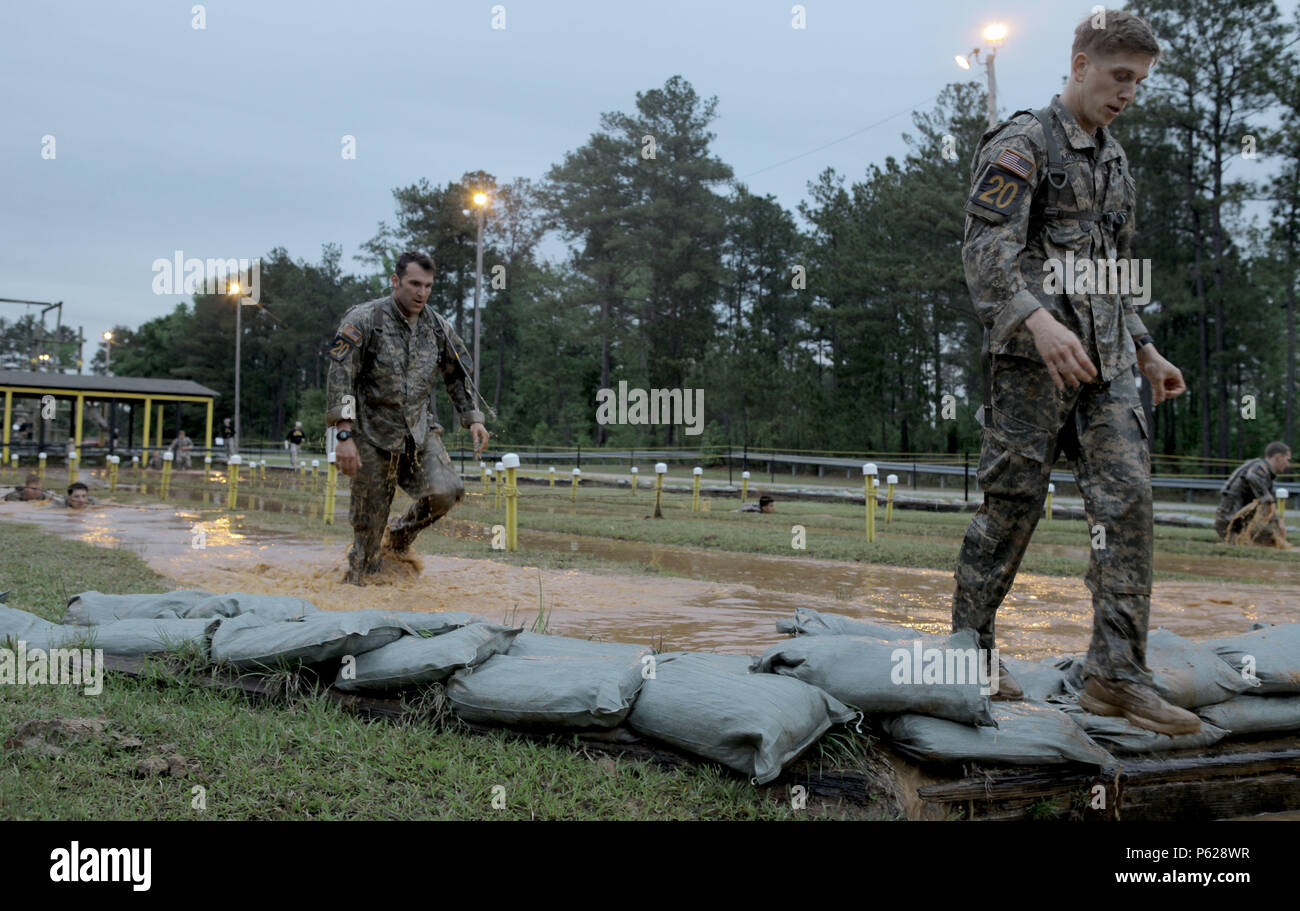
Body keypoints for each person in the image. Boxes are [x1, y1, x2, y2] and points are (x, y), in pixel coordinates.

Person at [952, 11, 1200, 734]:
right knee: (1010, 510)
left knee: (1129, 502)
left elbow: (1114, 274)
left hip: (1109, 365)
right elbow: (984, 251)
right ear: (1081, 62)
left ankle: (1115, 674)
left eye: (1140, 81)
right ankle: (970, 656)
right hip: (1031, 364)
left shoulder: (1117, 162)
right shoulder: (1022, 143)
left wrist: (1147, 348)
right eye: (1121, 76)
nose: (1130, 92)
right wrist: (1038, 319)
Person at [325, 251, 490, 585]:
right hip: (370, 434)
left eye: (428, 286)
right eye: (415, 284)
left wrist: (473, 417)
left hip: (418, 430)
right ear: (396, 281)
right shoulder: (364, 319)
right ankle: (356, 594)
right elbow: (341, 375)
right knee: (368, 543)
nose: (422, 293)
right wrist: (343, 435)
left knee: (447, 491)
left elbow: (457, 374)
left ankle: (399, 537)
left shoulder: (437, 327)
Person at [1216, 442, 1292, 546]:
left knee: (1271, 538)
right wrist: (1269, 500)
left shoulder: (1265, 473)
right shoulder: (1259, 468)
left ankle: (1231, 544)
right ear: (1278, 457)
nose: (1288, 464)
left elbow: (1267, 507)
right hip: (1231, 521)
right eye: (1288, 460)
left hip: (1235, 520)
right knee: (1269, 540)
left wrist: (1278, 521)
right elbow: (1252, 477)